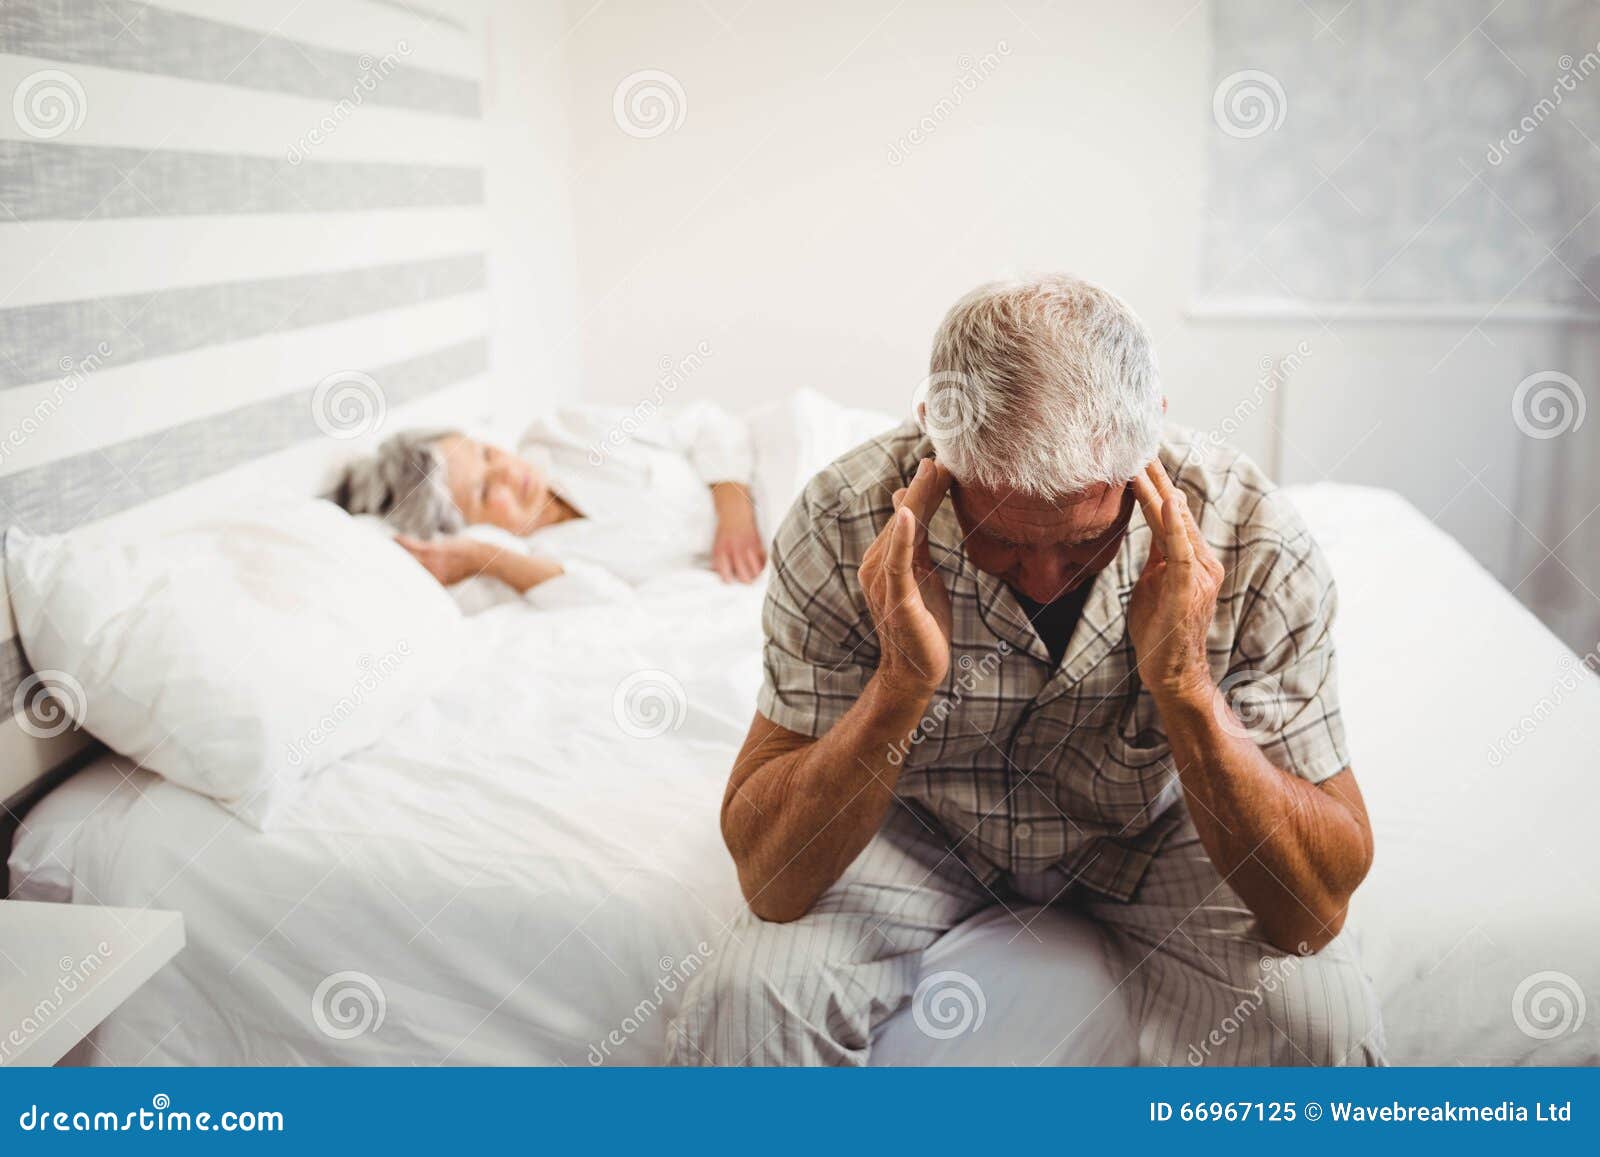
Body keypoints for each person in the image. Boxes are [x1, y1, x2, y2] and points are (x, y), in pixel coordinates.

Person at [667, 275, 1383, 1066]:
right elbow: (772, 882)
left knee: (1322, 1030)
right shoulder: (842, 520)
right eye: (1002, 540)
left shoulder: (1255, 536)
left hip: (1156, 827)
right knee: (746, 1005)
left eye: (1082, 545)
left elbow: (1312, 914)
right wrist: (900, 686)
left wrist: (1186, 687)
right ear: (933, 443)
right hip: (922, 822)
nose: (1044, 577)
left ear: (1149, 442)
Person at [333, 401, 767, 608]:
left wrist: (734, 508)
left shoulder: (561, 432)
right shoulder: (541, 562)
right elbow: (610, 603)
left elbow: (707, 424)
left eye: (487, 453)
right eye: (484, 492)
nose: (504, 470)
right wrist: (490, 558)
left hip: (769, 475)